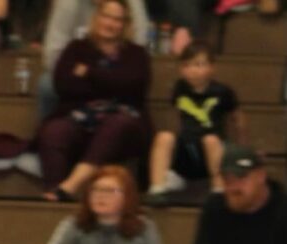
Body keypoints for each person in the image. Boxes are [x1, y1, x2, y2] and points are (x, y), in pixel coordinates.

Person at [37, 0, 151, 202]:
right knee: (54, 131)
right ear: (96, 18)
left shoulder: (136, 53)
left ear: (125, 24)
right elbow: (63, 85)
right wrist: (111, 81)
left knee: (116, 123)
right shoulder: (76, 48)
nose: (110, 23)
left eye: (117, 19)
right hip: (80, 117)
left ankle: (71, 185)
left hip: (125, 125)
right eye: (106, 16)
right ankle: (53, 194)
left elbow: (133, 86)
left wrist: (89, 72)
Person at [146, 41, 244, 205]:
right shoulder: (180, 87)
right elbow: (175, 114)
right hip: (187, 148)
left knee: (210, 139)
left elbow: (238, 118)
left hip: (213, 151)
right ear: (181, 69)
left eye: (199, 64)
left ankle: (219, 189)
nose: (193, 70)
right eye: (187, 65)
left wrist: (241, 145)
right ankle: (157, 188)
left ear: (212, 67)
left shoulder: (222, 91)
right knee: (164, 136)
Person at [37, 0, 149, 119]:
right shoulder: (67, 3)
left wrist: (94, 75)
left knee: (129, 86)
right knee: (46, 84)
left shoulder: (133, 3)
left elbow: (139, 48)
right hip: (78, 71)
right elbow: (53, 53)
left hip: (116, 67)